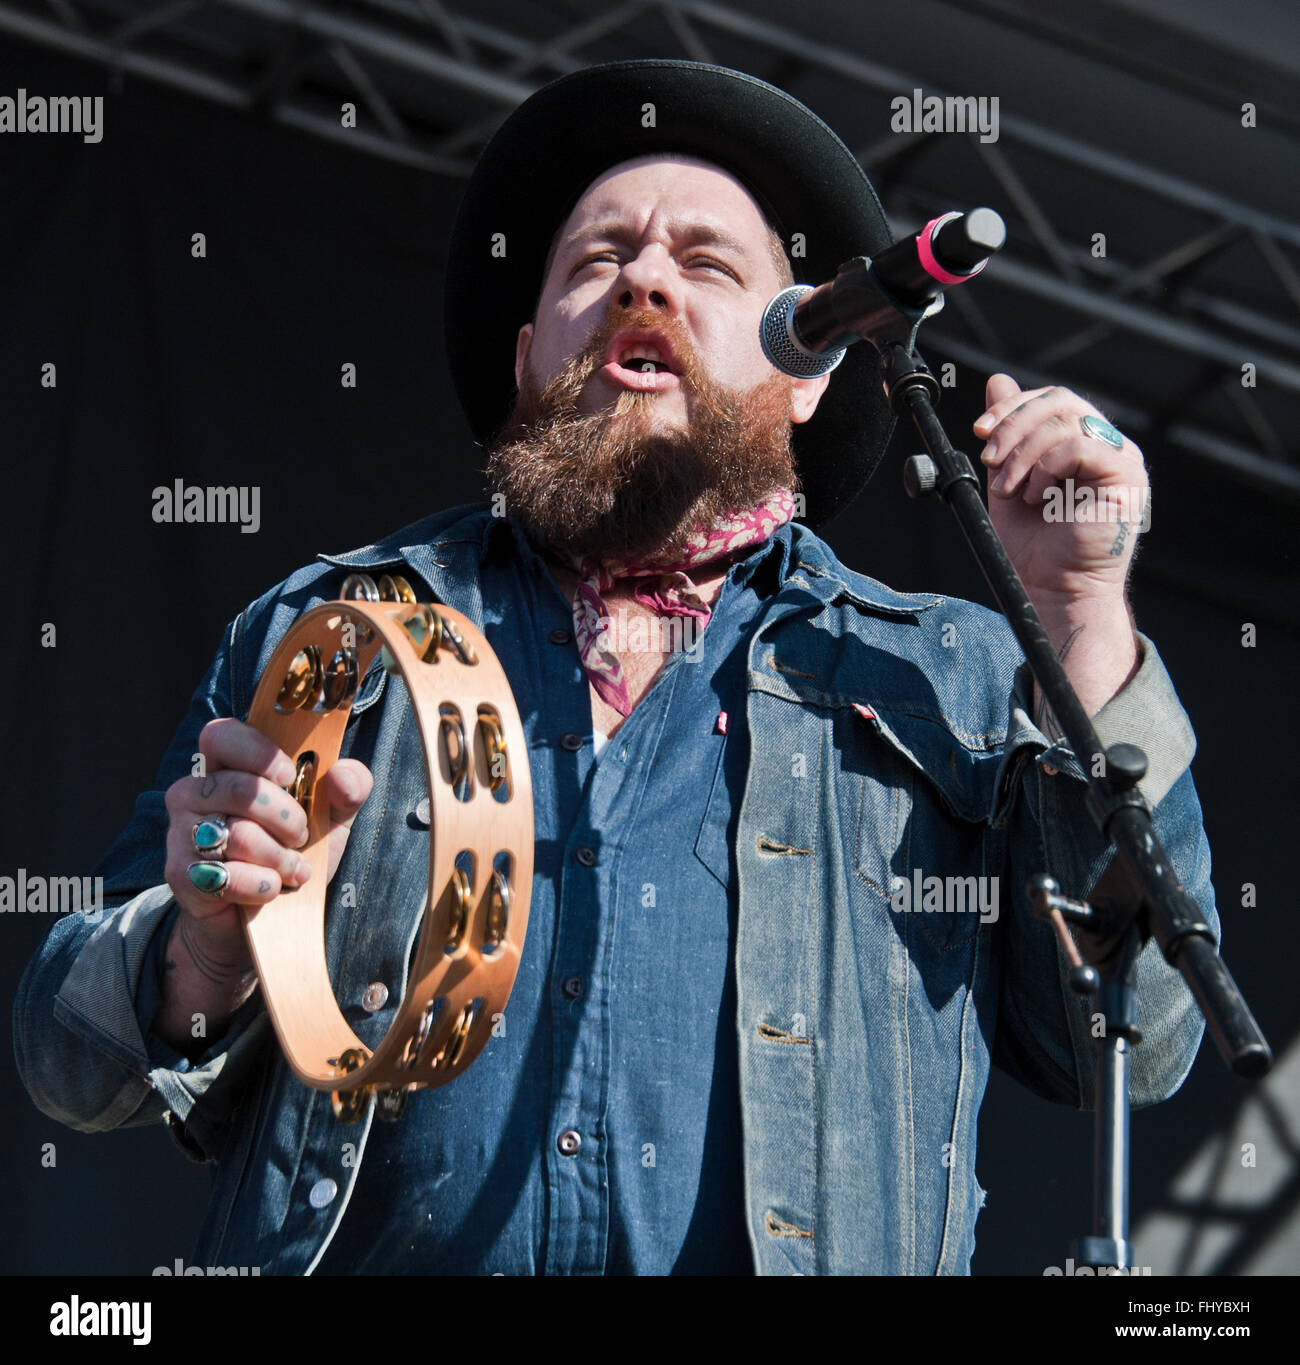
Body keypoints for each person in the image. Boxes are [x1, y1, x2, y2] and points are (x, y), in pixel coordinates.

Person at [14, 59, 1215, 1276]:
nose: (643, 277)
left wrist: (1078, 614)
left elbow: (1129, 1037)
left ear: (806, 376)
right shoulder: (330, 631)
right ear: (533, 353)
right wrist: (202, 953)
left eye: (705, 266)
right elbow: (68, 1064)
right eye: (598, 260)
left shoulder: (950, 678)